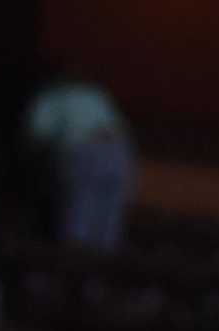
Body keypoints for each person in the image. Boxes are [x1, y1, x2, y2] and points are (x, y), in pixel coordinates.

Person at [24, 72, 137, 251]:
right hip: (117, 149)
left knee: (80, 207)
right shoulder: (93, 93)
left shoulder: (53, 97)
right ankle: (96, 258)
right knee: (104, 213)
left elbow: (38, 134)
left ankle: (79, 258)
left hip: (89, 149)